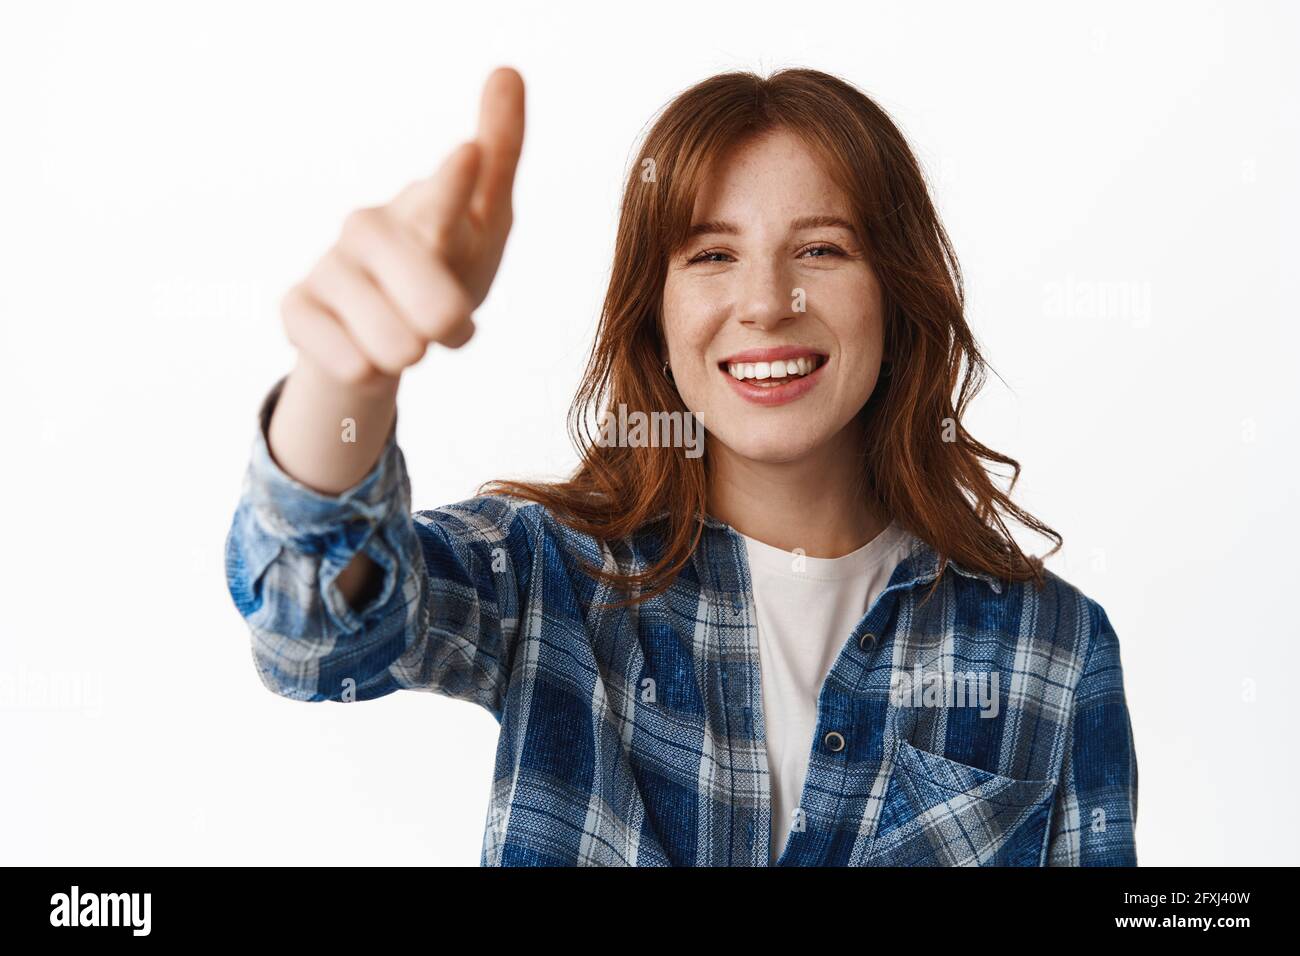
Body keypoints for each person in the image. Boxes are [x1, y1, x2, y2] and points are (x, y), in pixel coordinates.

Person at [224, 66, 1138, 866]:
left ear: (896, 294)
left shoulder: (1052, 649)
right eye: (711, 255)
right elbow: (313, 640)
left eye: (821, 250)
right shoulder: (550, 575)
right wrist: (349, 378)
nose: (766, 303)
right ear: (655, 318)